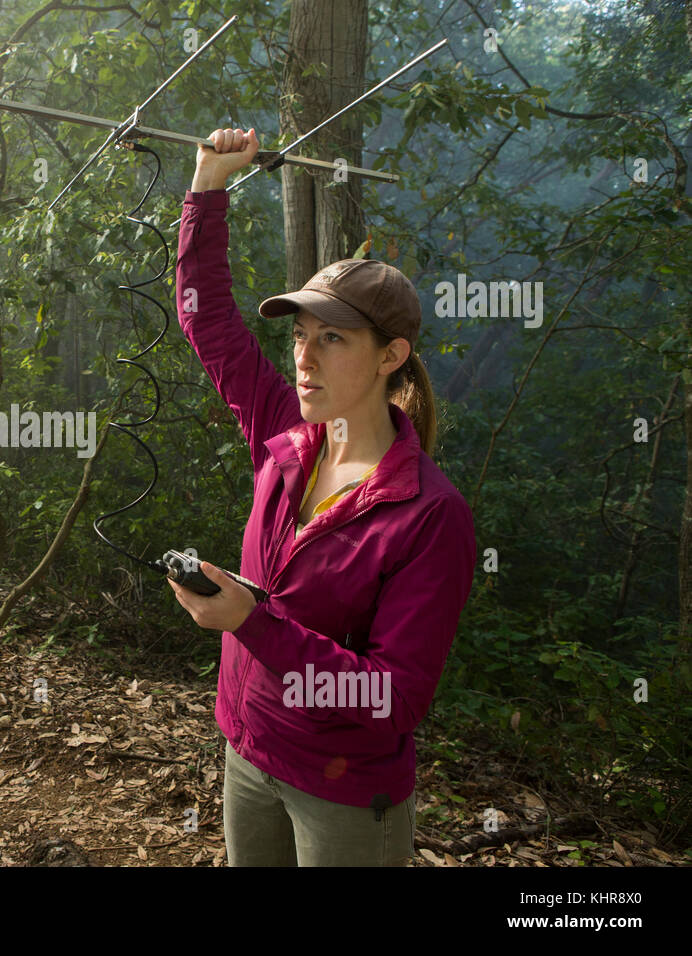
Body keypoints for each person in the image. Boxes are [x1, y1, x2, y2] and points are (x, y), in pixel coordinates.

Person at [168, 127, 477, 866]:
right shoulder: (285, 437)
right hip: (248, 754)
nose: (302, 357)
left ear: (390, 357)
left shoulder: (429, 515)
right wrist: (208, 189)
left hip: (343, 797)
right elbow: (206, 320)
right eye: (300, 335)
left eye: (332, 339)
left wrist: (253, 623)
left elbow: (390, 701)